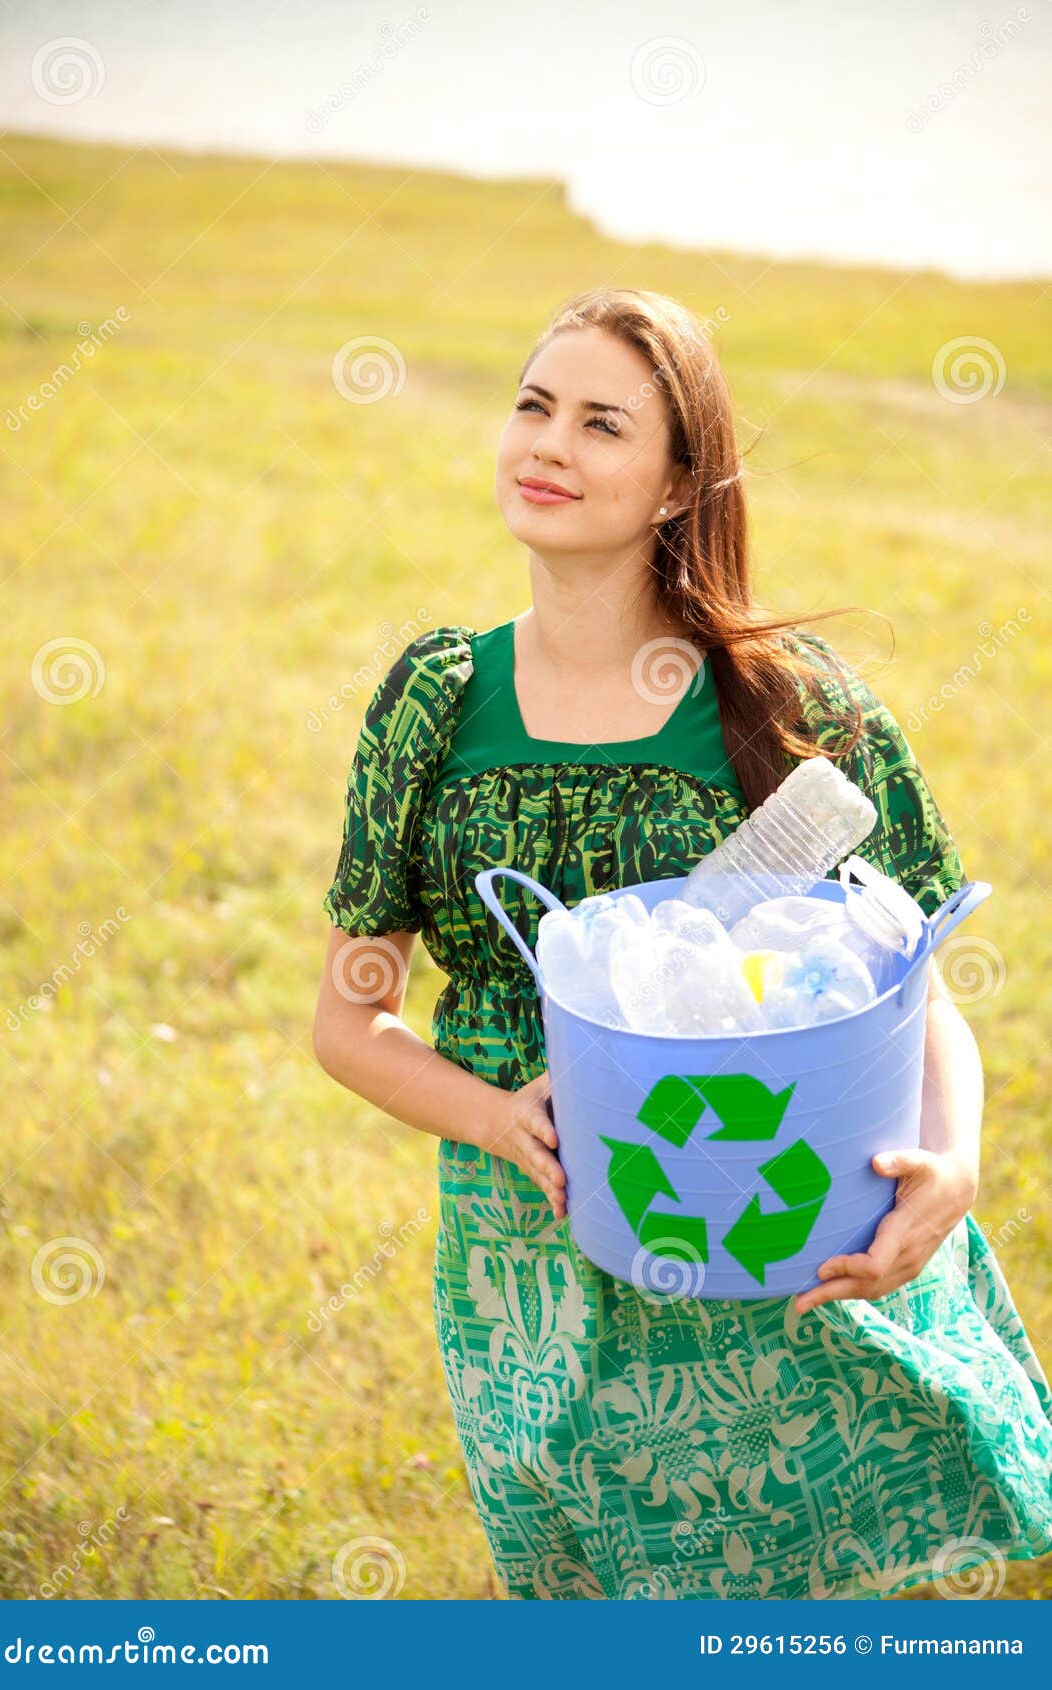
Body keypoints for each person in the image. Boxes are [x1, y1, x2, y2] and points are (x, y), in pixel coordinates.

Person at [313, 287, 1052, 1600]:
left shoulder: (784, 699)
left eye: (602, 423)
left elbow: (913, 970)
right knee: (588, 1598)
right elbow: (347, 1018)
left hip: (769, 1208)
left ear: (674, 486)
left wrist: (956, 1161)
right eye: (534, 405)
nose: (548, 445)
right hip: (535, 1241)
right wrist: (494, 1118)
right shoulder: (440, 700)